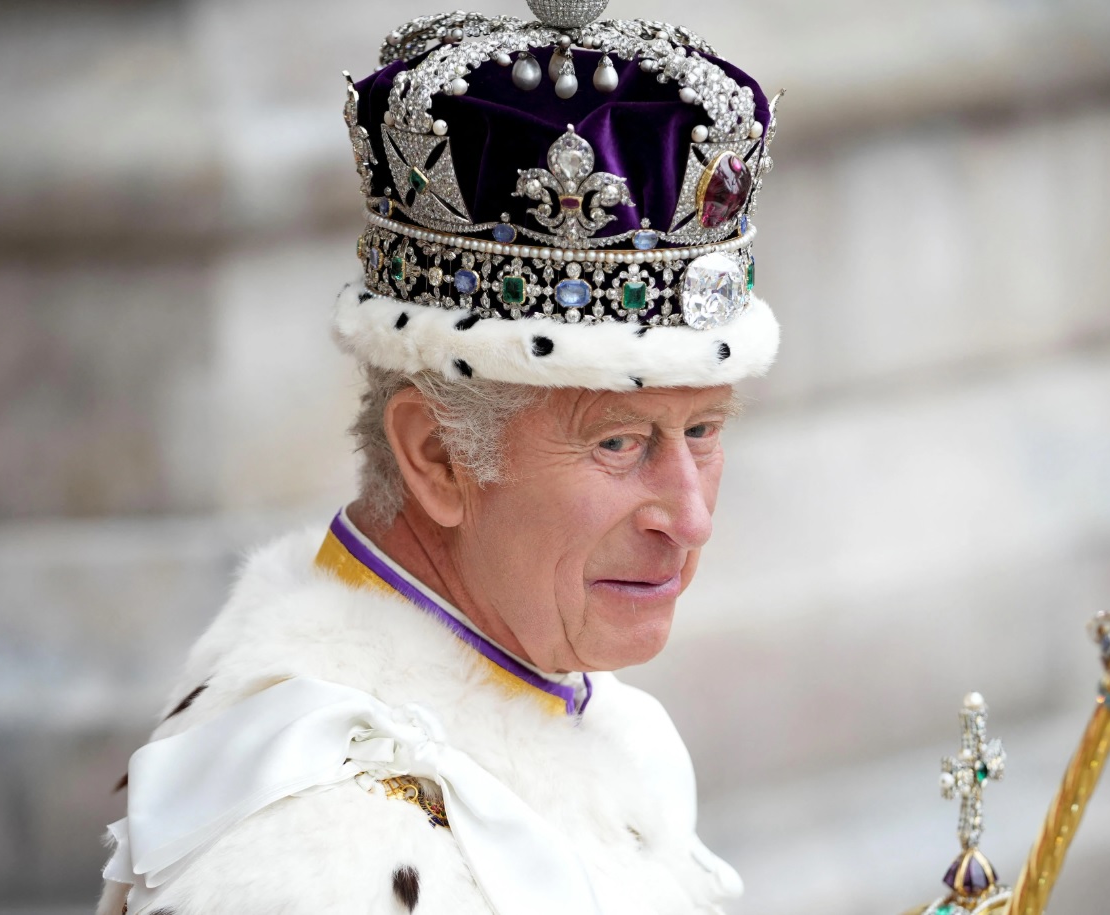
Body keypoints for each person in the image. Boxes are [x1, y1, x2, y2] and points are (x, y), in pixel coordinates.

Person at [98, 3, 781, 912]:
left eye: (704, 430)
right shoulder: (320, 851)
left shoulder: (553, 686)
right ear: (436, 456)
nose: (689, 516)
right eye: (620, 441)